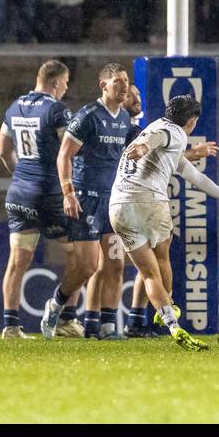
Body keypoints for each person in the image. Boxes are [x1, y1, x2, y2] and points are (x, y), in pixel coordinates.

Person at [111, 94, 219, 351]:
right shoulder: (174, 132)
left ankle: (172, 324)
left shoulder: (157, 129)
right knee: (163, 257)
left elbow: (196, 177)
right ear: (191, 121)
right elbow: (154, 140)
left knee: (147, 273)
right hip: (149, 201)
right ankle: (172, 305)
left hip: (118, 207)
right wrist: (144, 147)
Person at [57, 63, 137, 340]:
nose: (124, 86)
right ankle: (56, 305)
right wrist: (68, 192)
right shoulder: (88, 116)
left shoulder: (125, 119)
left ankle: (106, 328)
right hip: (86, 200)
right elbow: (64, 154)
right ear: (103, 85)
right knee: (88, 267)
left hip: (112, 203)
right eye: (118, 81)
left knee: (116, 266)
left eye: (125, 81)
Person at [0, 60, 77, 339]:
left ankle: (10, 326)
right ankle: (66, 320)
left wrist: (20, 173)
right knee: (79, 253)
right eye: (65, 84)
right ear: (55, 83)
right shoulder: (56, 110)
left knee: (18, 261)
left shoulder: (14, 107)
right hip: (48, 194)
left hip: (19, 192)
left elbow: (2, 150)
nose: (65, 89)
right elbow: (68, 152)